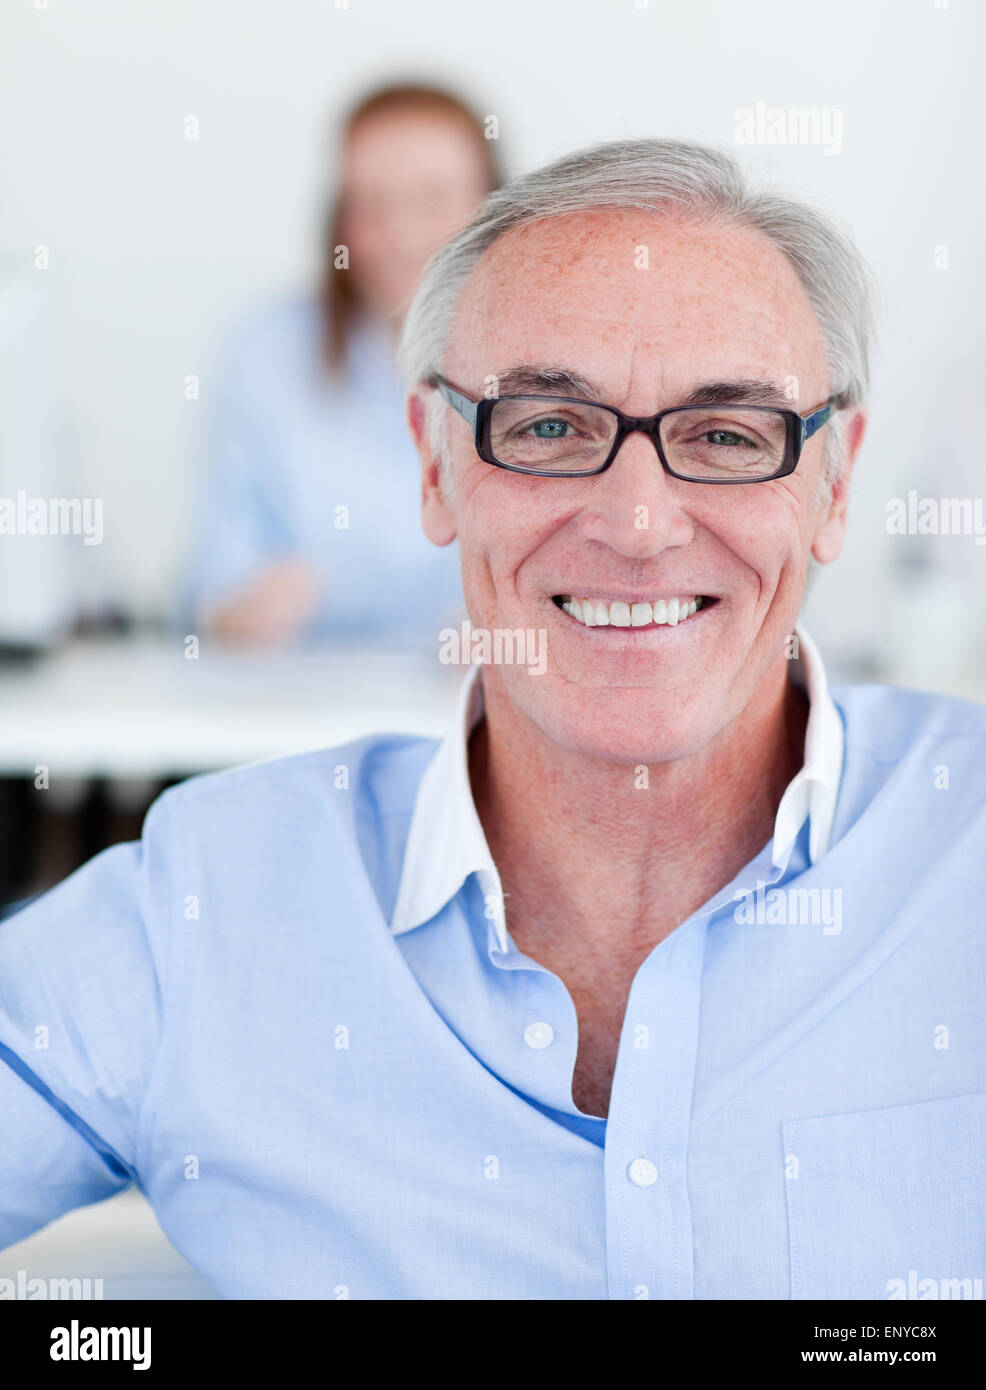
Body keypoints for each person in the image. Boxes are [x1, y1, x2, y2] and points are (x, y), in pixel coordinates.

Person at [2, 140, 985, 1300]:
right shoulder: (204, 907)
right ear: (432, 464)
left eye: (727, 435)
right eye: (546, 426)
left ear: (833, 482)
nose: (636, 521)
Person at [186, 82, 500, 646]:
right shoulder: (267, 350)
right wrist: (237, 614)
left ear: (491, 208)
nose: (400, 236)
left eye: (430, 199)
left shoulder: (547, 363)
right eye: (371, 205)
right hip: (292, 707)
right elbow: (215, 590)